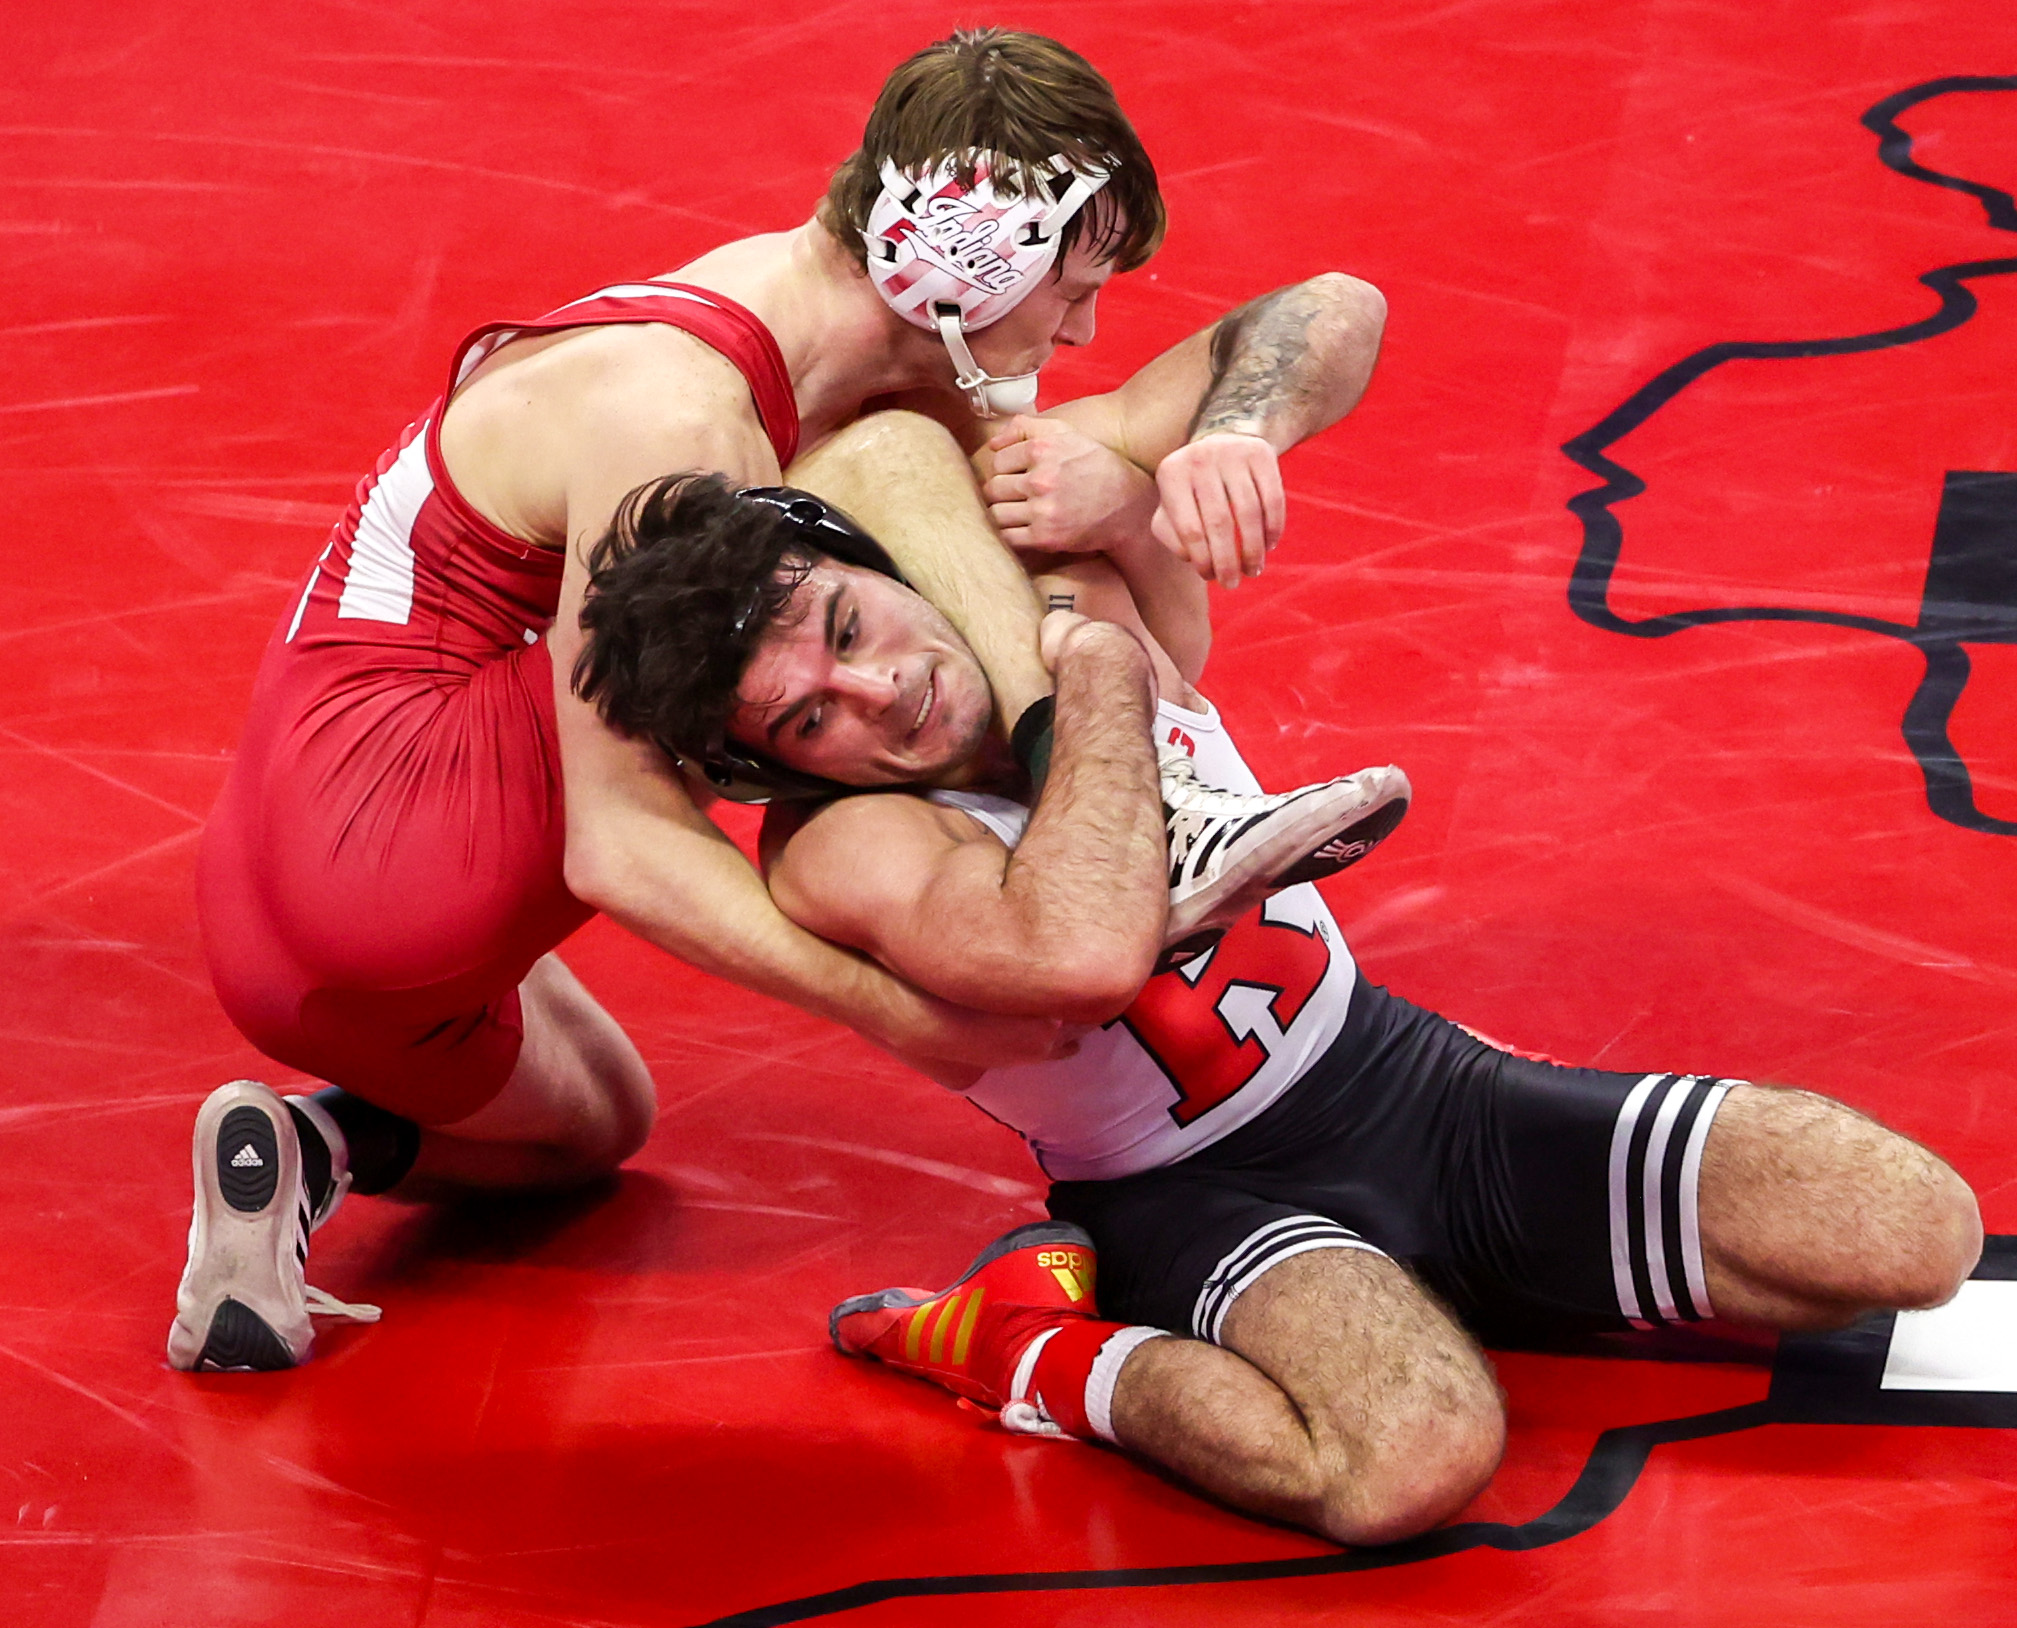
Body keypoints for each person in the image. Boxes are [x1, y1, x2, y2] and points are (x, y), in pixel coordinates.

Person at [170, 28, 1393, 1371]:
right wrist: (906, 1017)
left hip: (288, 916)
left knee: (596, 1132)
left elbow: (1327, 305)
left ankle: (299, 1140)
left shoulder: (816, 314)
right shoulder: (683, 417)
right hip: (399, 822)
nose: (1086, 327)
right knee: (874, 519)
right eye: (1070, 288)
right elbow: (617, 843)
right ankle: (1139, 799)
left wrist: (1212, 450)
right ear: (954, 263)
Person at [592, 478, 1984, 1546]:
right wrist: (1088, 674)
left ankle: (1482, 1274)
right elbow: (1071, 956)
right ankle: (1029, 1346)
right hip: (1203, 1198)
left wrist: (1175, 470)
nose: (881, 692)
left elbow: (1327, 314)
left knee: (1914, 1232)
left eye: (850, 627)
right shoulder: (855, 849)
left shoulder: (1042, 578)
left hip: (1410, 1082)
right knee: (1405, 1467)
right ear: (777, 771)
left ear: (877, 562)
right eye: (812, 719)